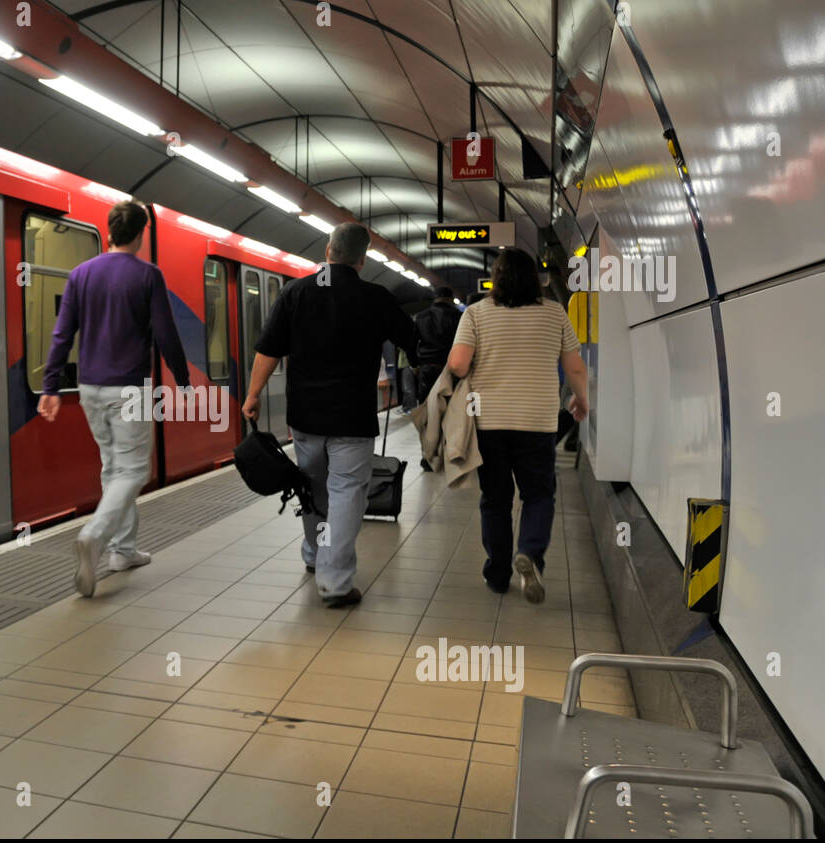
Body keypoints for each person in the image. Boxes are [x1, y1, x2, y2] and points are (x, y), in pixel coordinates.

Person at [244, 223, 417, 607]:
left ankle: (314, 554)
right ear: (362, 259)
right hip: (353, 419)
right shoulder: (376, 297)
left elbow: (268, 349)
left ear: (327, 252)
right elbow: (413, 341)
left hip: (305, 419)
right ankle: (335, 581)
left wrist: (253, 394)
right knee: (345, 494)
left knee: (313, 489)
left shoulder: (296, 292)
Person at [38, 201, 191, 597]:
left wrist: (51, 386)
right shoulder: (148, 275)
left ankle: (123, 551)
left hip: (89, 388)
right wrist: (184, 379)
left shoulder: (81, 274)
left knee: (113, 466)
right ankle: (95, 536)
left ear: (109, 231)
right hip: (130, 387)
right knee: (133, 471)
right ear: (142, 235)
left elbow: (62, 334)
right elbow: (166, 333)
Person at [446, 249, 589, 603]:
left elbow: (459, 364)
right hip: (537, 423)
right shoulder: (555, 313)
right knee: (538, 495)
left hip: (488, 422)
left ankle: (497, 574)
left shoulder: (477, 313)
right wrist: (581, 399)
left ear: (496, 278)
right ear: (537, 280)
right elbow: (574, 367)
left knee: (495, 499)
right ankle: (529, 552)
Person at [414, 286, 462, 403]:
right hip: (451, 367)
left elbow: (413, 341)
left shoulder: (420, 316)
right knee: (450, 405)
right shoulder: (458, 316)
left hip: (428, 367)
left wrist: (415, 364)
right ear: (450, 299)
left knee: (427, 404)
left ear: (435, 298)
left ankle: (429, 421)